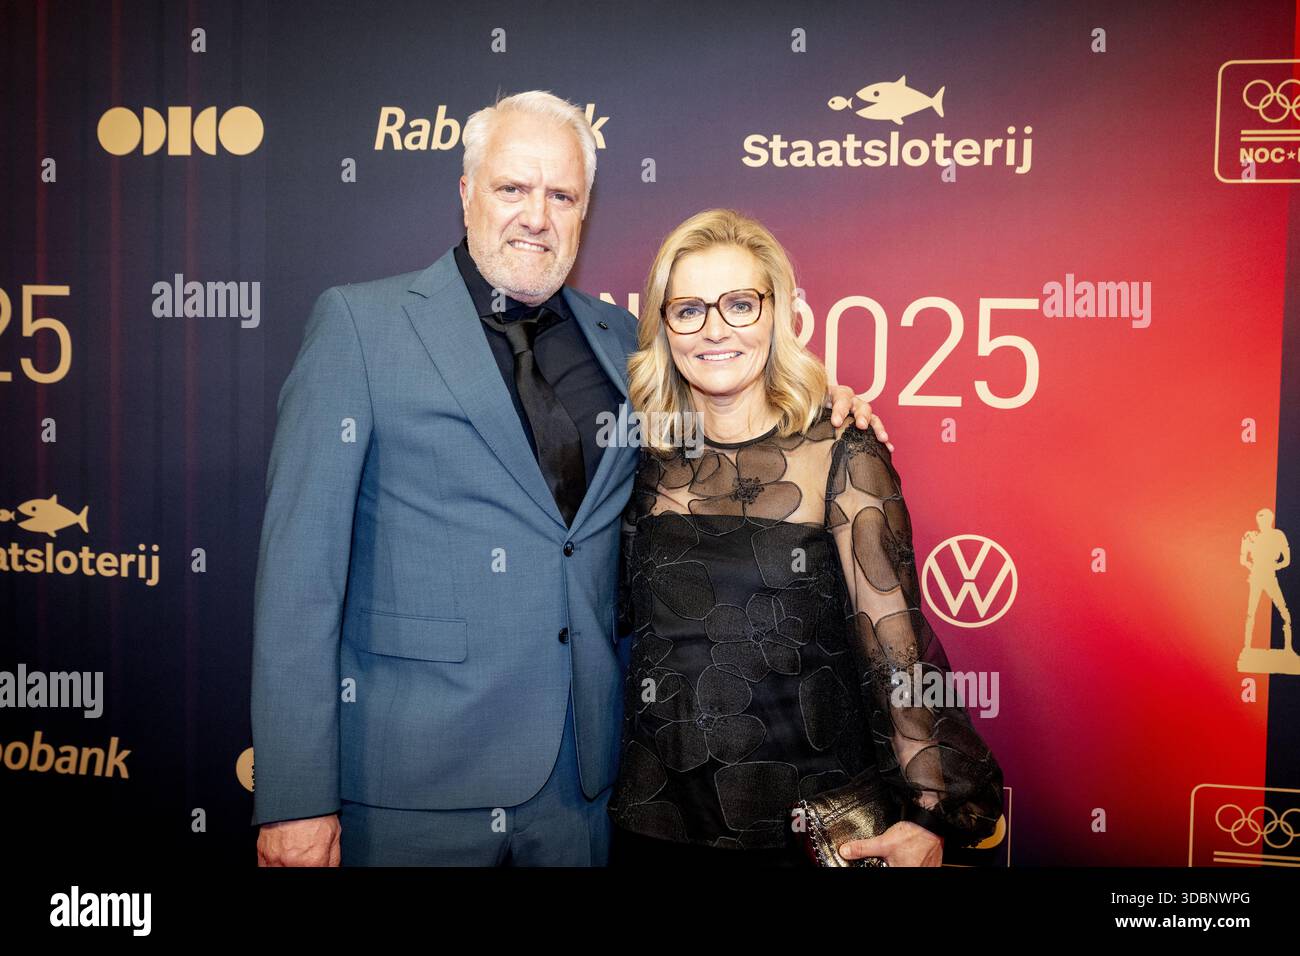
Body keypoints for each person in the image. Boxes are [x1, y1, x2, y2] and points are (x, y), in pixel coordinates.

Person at [250, 91, 884, 866]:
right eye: (512, 188)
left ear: (584, 210)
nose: (536, 216)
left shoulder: (624, 344)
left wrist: (819, 405)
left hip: (585, 794)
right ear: (466, 191)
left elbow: (730, 424)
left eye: (562, 195)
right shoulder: (360, 327)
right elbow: (298, 578)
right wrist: (294, 795)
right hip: (411, 787)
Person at [607, 209, 1004, 867]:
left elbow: (897, 649)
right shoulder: (638, 459)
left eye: (739, 303)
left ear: (777, 313)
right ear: (664, 326)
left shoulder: (842, 456)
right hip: (653, 825)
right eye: (689, 309)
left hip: (809, 833)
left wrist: (935, 812)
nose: (715, 330)